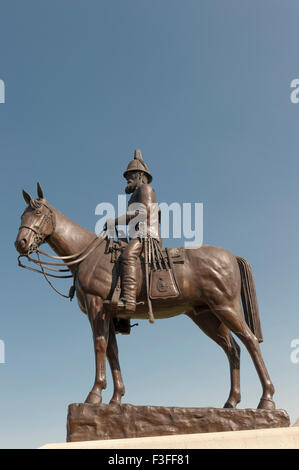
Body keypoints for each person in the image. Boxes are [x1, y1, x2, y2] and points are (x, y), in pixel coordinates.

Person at [106, 149, 160, 315]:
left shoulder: (145, 190)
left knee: (127, 256)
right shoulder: (135, 194)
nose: (127, 179)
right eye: (127, 176)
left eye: (131, 175)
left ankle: (128, 301)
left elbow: (142, 213)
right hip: (136, 236)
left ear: (140, 176)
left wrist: (115, 220)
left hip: (147, 236)